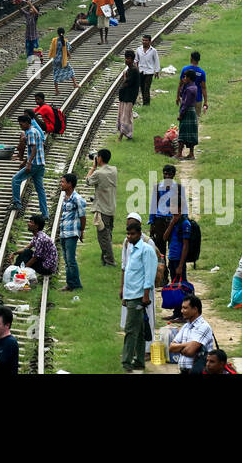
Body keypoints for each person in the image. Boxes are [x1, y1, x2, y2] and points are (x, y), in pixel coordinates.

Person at [120, 218, 157, 372]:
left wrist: (146, 295)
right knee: (140, 331)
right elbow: (129, 273)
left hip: (138, 296)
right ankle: (140, 361)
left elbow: (149, 274)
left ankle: (126, 361)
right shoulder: (131, 248)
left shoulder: (146, 250)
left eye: (133, 234)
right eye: (128, 234)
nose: (129, 237)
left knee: (130, 330)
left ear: (139, 234)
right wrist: (124, 295)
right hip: (130, 295)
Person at [11, 113, 49, 217]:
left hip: (34, 164)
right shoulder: (34, 131)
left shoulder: (31, 132)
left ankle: (17, 203)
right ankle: (45, 214)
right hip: (40, 164)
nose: (21, 126)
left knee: (16, 179)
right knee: (40, 189)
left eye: (22, 124)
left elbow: (34, 149)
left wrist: (28, 164)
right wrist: (24, 162)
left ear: (27, 123)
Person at [168, 294, 216, 374]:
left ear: (195, 309)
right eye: (182, 307)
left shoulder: (203, 326)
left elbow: (190, 351)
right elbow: (171, 348)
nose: (181, 311)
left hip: (198, 371)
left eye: (185, 308)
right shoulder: (186, 326)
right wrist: (188, 344)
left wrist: (180, 348)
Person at [85, 150, 117, 266]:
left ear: (99, 158)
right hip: (111, 207)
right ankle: (105, 259)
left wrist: (93, 168)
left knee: (103, 237)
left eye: (97, 157)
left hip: (102, 209)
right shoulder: (114, 170)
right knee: (107, 235)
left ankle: (110, 261)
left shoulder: (99, 173)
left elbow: (88, 181)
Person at [59, 173, 87, 291]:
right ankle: (70, 284)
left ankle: (76, 285)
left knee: (71, 260)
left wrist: (81, 231)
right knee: (66, 260)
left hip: (71, 234)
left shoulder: (77, 198)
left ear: (70, 184)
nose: (61, 184)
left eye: (63, 182)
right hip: (64, 233)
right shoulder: (65, 197)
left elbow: (83, 216)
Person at [115, 49, 140, 140]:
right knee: (126, 116)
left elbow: (126, 83)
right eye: (125, 58)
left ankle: (120, 137)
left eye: (128, 58)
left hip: (129, 97)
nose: (126, 60)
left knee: (125, 116)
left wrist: (124, 76)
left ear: (132, 59)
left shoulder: (133, 70)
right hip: (125, 96)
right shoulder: (130, 69)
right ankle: (129, 134)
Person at [46, 28, 77, 95]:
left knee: (56, 74)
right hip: (63, 60)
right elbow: (67, 50)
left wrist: (51, 55)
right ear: (64, 33)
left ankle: (57, 91)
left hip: (56, 60)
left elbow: (51, 49)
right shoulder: (65, 41)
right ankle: (75, 84)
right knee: (70, 70)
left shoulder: (54, 40)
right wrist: (69, 56)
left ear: (57, 33)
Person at [135, 34, 159, 107]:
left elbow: (156, 61)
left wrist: (157, 71)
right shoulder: (138, 50)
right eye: (143, 40)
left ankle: (146, 104)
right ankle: (144, 102)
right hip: (141, 71)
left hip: (149, 72)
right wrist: (136, 69)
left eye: (146, 40)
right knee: (142, 88)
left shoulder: (153, 51)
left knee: (146, 88)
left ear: (150, 41)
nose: (144, 42)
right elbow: (136, 60)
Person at [20, 0, 44, 64]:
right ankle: (29, 61)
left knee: (35, 49)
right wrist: (18, 2)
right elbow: (21, 10)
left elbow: (37, 13)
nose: (31, 9)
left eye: (32, 8)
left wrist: (30, 4)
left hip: (34, 37)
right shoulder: (27, 15)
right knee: (28, 49)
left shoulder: (35, 17)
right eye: (30, 8)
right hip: (28, 37)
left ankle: (39, 59)